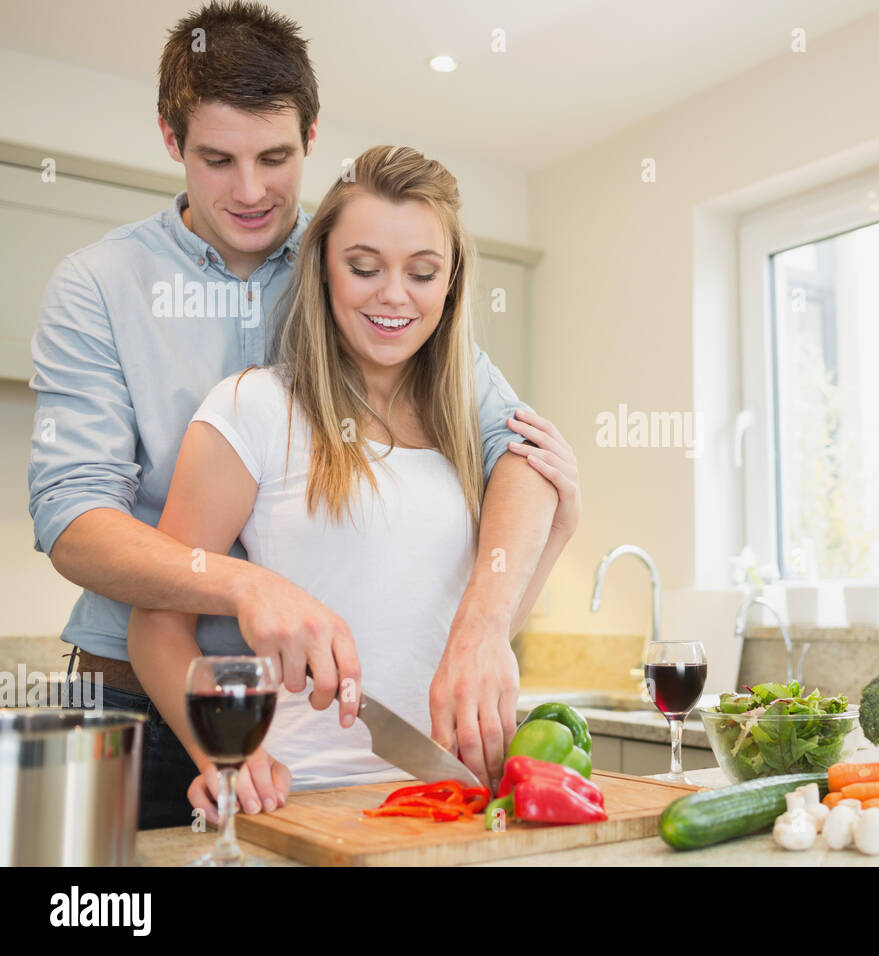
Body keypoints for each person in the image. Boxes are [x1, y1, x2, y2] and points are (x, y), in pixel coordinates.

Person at [27, 0, 578, 827]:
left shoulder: (355, 267)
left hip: (291, 721)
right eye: (217, 159)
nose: (249, 191)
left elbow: (518, 452)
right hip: (135, 691)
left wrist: (485, 626)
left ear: (312, 138)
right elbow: (71, 516)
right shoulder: (99, 285)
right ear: (172, 141)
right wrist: (248, 585)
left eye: (275, 157)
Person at [128, 144, 572, 813]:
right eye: (364, 267)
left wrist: (559, 531)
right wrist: (224, 753)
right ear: (324, 268)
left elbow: (474, 628)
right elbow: (157, 620)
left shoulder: (466, 430)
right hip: (301, 806)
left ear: (451, 285)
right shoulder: (252, 408)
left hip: (449, 804)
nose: (394, 295)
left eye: (423, 273)